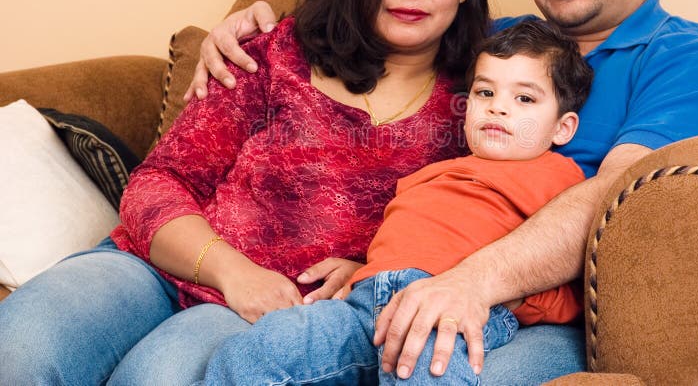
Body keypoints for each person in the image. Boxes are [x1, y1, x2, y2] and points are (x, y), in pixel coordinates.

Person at [189, 0, 698, 383]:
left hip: (543, 316)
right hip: (406, 281)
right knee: (260, 356)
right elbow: (374, 23)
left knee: (429, 369)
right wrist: (262, 30)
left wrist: (468, 281)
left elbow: (611, 198)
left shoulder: (697, 63)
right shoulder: (494, 42)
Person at [0, 0, 490, 385]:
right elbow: (156, 184)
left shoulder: (484, 102)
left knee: (160, 377)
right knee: (22, 341)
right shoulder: (276, 52)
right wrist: (234, 273)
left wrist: (372, 273)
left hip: (270, 316)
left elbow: (469, 227)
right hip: (155, 265)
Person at [198, 20, 594, 385]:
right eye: (485, 92)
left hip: (449, 311)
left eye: (524, 99)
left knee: (427, 367)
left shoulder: (558, 178)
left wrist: (524, 297)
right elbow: (407, 242)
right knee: (259, 348)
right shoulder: (432, 173)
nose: (498, 106)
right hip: (363, 304)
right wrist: (368, 269)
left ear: (563, 127)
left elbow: (571, 270)